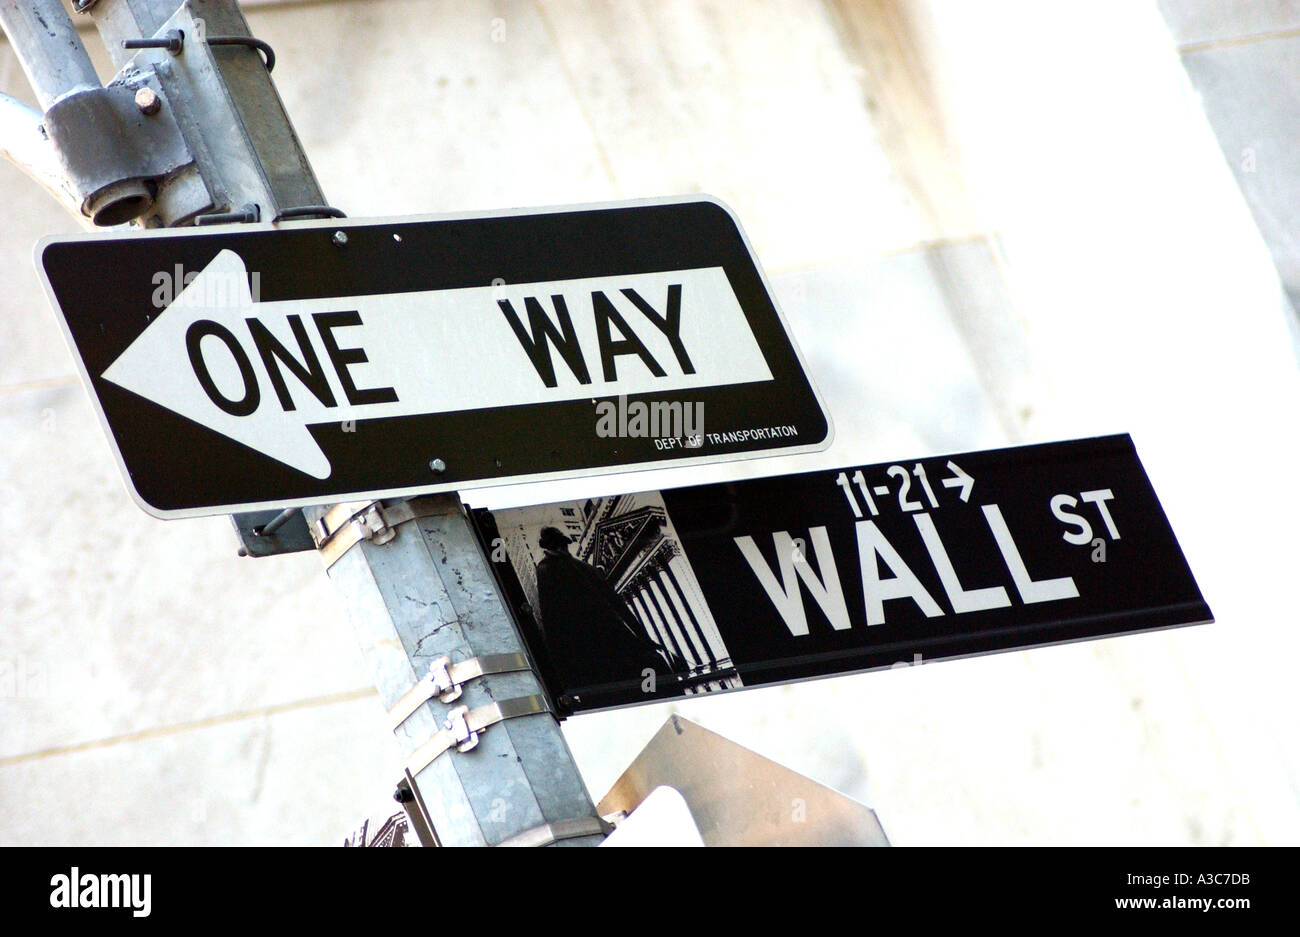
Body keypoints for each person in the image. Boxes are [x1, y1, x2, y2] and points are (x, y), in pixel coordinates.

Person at [533, 526, 678, 692]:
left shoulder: (555, 568)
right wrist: (644, 638)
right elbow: (619, 606)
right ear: (561, 545)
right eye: (564, 545)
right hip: (598, 642)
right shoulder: (564, 569)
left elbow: (551, 619)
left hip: (592, 646)